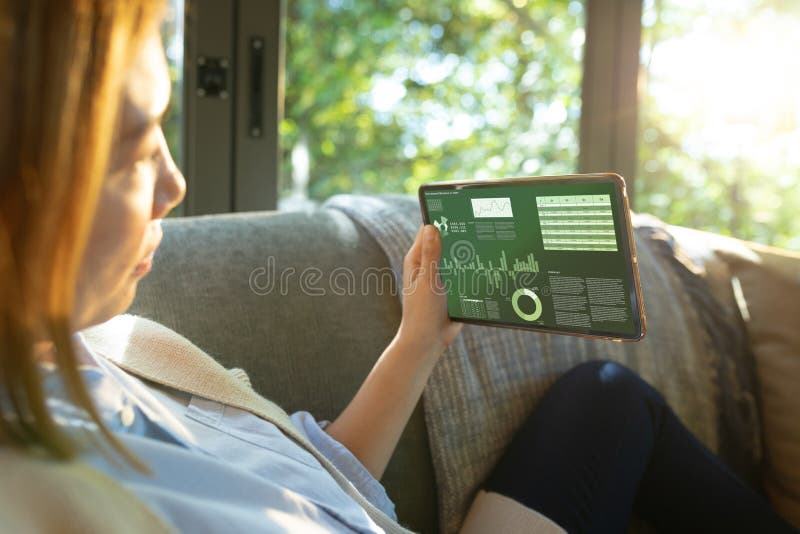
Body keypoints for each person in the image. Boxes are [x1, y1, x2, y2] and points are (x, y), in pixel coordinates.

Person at [0, 1, 796, 533]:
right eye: (137, 149)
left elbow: (319, 476)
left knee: (608, 399)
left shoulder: (114, 348)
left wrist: (419, 337)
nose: (175, 185)